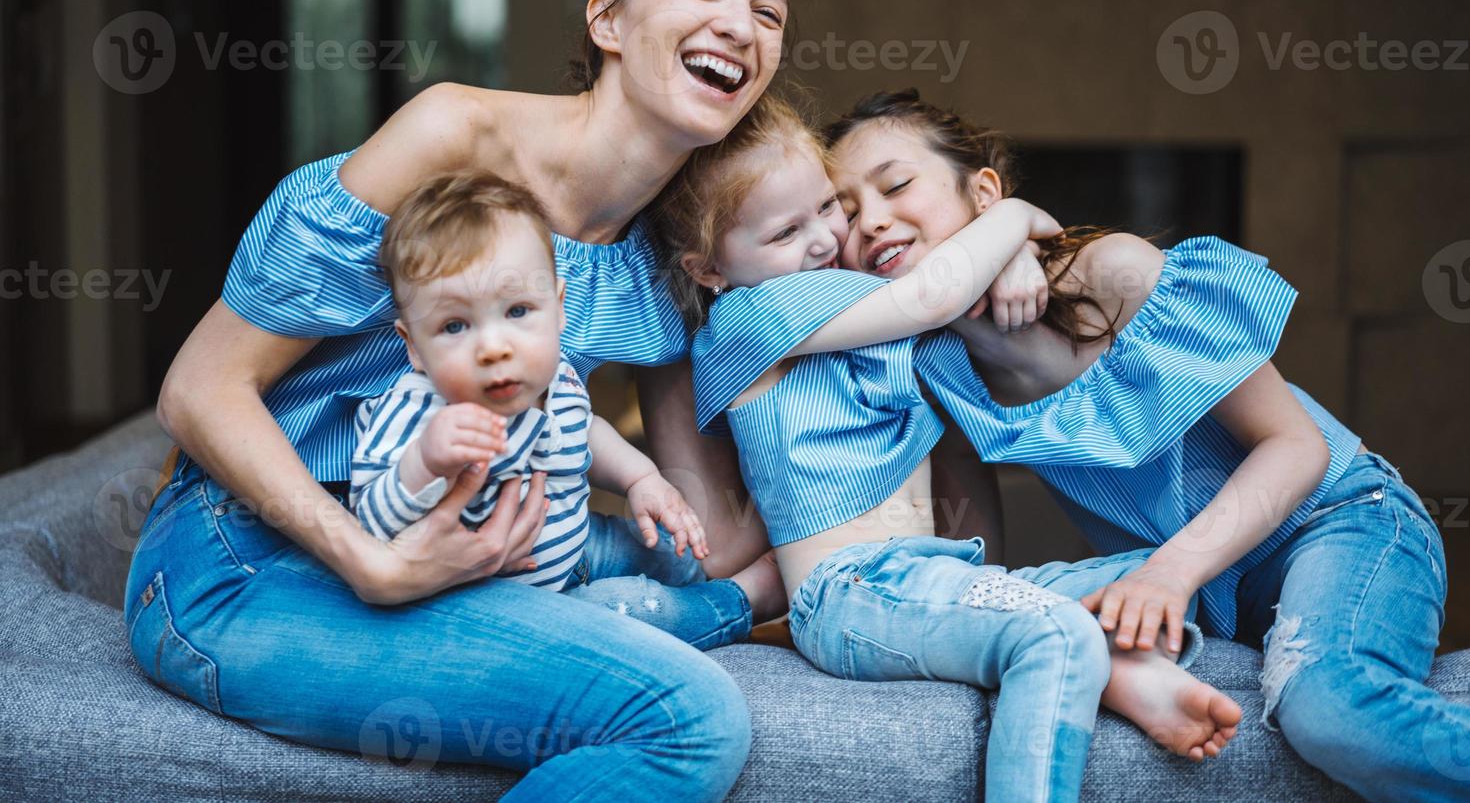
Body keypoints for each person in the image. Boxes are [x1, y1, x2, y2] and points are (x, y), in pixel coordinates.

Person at [126, 0, 810, 799]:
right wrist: (375, 562)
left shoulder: (672, 257)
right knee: (687, 719)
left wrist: (912, 313)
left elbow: (705, 535)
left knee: (682, 591)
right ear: (607, 21)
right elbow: (197, 389)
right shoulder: (455, 136)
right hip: (248, 558)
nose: (740, 25)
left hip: (472, 549)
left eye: (768, 13)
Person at [828, 88, 1462, 803]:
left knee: (1328, 705)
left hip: (1339, 519)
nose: (870, 220)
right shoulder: (935, 371)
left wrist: (1169, 573)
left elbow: (1296, 446)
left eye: (895, 185)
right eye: (844, 212)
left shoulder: (1112, 275)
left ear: (984, 195)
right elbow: (979, 562)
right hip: (1225, 599)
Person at [651, 95, 1241, 802]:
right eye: (785, 231)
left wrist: (1012, 257)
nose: (823, 238)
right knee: (1054, 634)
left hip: (922, 574)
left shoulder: (843, 303)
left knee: (1146, 582)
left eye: (826, 208)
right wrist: (1013, 218)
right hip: (852, 590)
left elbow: (943, 290)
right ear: (710, 270)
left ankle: (1119, 672)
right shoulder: (755, 310)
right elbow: (935, 294)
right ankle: (1094, 673)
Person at [350, 168, 780, 643]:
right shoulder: (417, 411)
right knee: (628, 613)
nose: (493, 348)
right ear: (414, 347)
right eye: (454, 326)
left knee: (669, 548)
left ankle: (696, 578)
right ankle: (736, 602)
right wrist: (424, 462)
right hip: (512, 602)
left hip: (582, 542)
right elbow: (371, 519)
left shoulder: (554, 374)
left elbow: (584, 427)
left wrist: (640, 478)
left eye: (517, 311)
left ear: (558, 309)